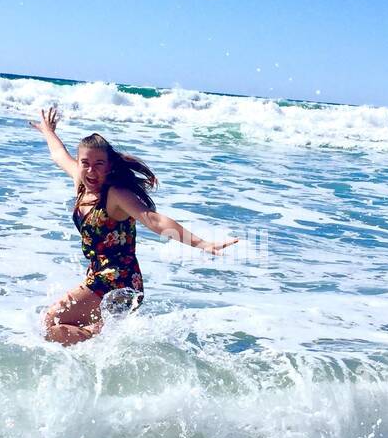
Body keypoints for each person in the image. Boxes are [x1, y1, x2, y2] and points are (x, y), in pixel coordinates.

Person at [30, 105, 239, 344]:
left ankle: (95, 342)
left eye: (99, 164)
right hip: (100, 276)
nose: (91, 170)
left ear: (109, 166)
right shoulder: (81, 183)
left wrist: (203, 244)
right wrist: (48, 130)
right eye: (85, 163)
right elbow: (58, 154)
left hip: (119, 282)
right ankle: (97, 351)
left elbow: (154, 220)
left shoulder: (116, 195)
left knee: (51, 321)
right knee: (63, 329)